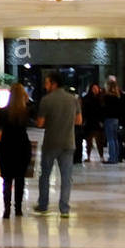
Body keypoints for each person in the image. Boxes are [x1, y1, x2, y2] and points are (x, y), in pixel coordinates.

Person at [35, 72, 82, 216]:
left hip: (51, 143)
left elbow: (40, 123)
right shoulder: (73, 99)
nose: (45, 85)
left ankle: (43, 205)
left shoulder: (46, 100)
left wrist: (51, 121)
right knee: (66, 177)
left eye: (47, 83)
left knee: (45, 175)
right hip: (68, 143)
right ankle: (64, 208)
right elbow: (79, 121)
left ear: (54, 84)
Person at [0, 83, 32, 218]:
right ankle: (18, 209)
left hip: (6, 147)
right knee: (20, 179)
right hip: (22, 147)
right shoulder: (26, 112)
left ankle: (6, 209)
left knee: (7, 179)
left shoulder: (2, 112)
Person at [81, 82, 104, 162]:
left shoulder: (101, 99)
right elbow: (84, 110)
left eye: (96, 88)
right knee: (89, 141)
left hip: (97, 122)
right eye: (94, 88)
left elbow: (102, 111)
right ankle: (88, 156)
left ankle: (101, 156)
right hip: (89, 122)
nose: (95, 90)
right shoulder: (87, 99)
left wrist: (101, 121)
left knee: (99, 141)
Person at [102, 78, 123, 165]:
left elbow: (104, 109)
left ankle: (112, 158)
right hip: (116, 119)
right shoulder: (118, 96)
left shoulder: (107, 97)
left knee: (110, 139)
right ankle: (116, 157)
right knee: (115, 139)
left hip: (109, 119)